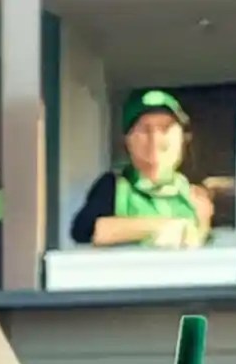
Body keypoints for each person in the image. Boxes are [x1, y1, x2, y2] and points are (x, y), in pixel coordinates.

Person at [70, 89, 213, 248]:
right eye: (145, 129)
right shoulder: (113, 187)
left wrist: (203, 226)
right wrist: (163, 226)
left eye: (165, 128)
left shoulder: (194, 191)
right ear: (128, 140)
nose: (155, 139)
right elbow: (86, 231)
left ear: (183, 138)